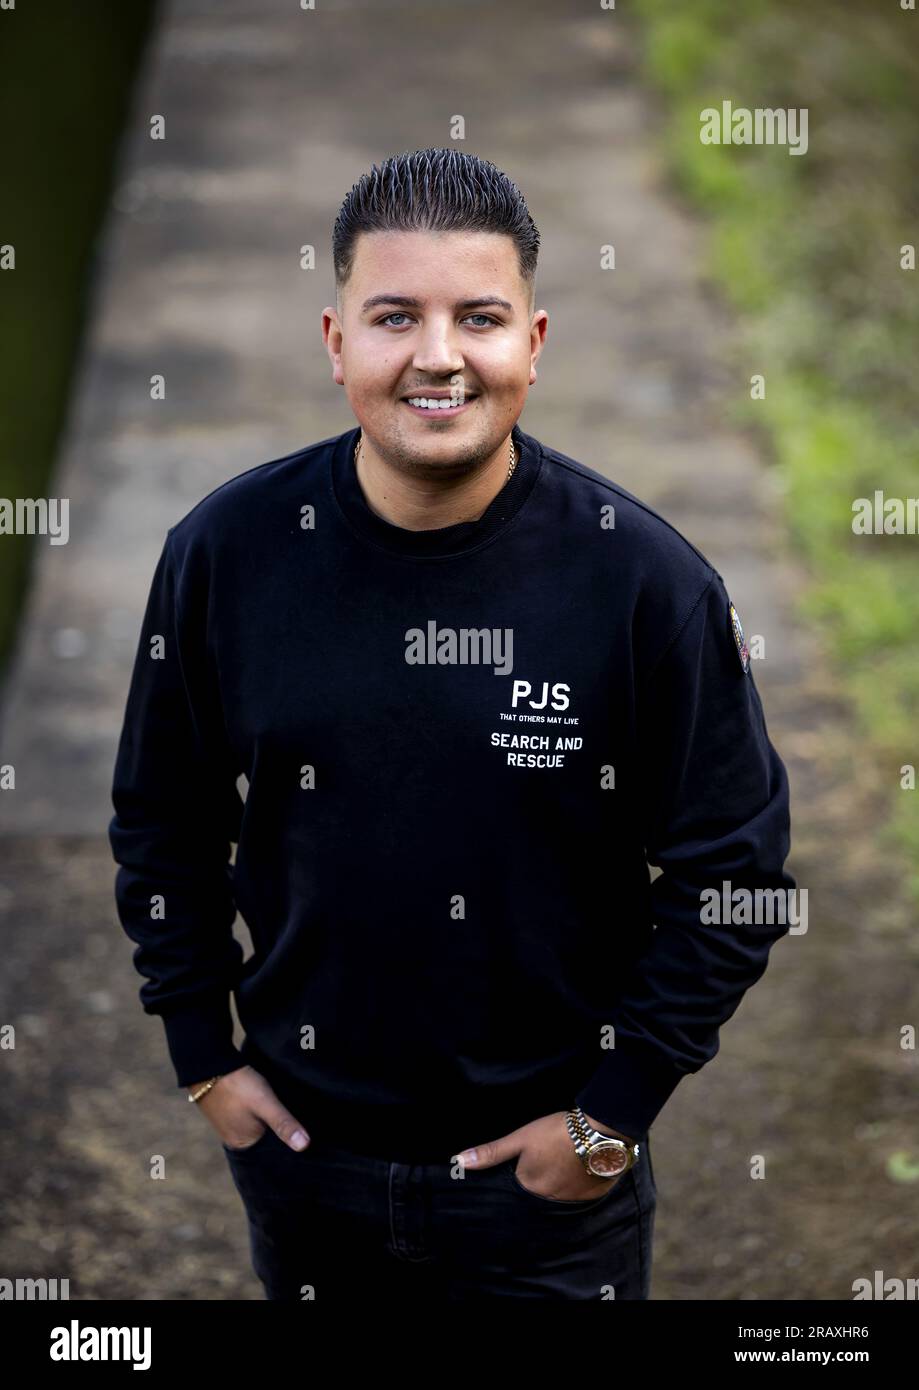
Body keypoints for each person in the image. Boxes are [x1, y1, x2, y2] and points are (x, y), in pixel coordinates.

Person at [108, 146, 795, 1302]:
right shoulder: (226, 555)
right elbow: (162, 819)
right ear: (336, 344)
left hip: (547, 1193)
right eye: (393, 317)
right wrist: (203, 1060)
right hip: (301, 1163)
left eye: (478, 316)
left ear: (533, 341)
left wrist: (611, 1118)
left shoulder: (643, 585)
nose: (437, 356)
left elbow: (737, 873)